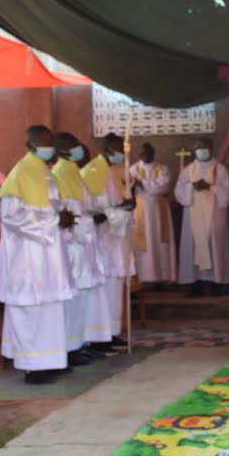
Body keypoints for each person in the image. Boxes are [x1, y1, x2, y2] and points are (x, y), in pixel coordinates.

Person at [0, 125, 77, 384]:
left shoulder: (43, 171)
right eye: (44, 141)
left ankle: (51, 360)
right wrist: (54, 220)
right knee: (31, 307)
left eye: (51, 140)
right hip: (27, 257)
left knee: (50, 308)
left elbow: (50, 206)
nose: (49, 145)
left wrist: (62, 215)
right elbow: (11, 217)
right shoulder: (21, 174)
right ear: (30, 146)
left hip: (47, 254)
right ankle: (33, 366)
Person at [52, 132, 113, 363]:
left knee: (85, 298)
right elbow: (68, 215)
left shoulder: (73, 173)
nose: (79, 149)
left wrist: (93, 217)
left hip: (85, 243)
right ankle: (71, 347)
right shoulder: (60, 174)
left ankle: (81, 342)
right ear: (62, 151)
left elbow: (83, 208)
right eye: (74, 146)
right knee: (74, 299)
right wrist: (89, 221)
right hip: (73, 247)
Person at [81, 133, 136, 347]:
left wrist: (124, 205)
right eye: (118, 149)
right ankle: (101, 335)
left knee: (115, 286)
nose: (122, 154)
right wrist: (121, 208)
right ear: (107, 149)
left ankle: (112, 330)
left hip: (115, 238)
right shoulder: (94, 172)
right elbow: (95, 210)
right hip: (103, 238)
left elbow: (112, 204)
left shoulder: (110, 172)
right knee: (104, 286)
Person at [175, 137, 229, 296]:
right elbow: (178, 191)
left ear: (211, 148)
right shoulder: (188, 170)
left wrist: (210, 187)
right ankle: (195, 285)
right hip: (193, 216)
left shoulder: (220, 170)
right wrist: (191, 187)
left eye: (205, 147)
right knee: (194, 246)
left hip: (214, 216)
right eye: (198, 147)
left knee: (214, 246)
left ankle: (215, 283)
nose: (202, 150)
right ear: (194, 149)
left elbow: (227, 195)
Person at [130, 142, 176, 285]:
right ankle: (143, 278)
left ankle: (162, 277)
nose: (145, 155)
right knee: (143, 243)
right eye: (142, 153)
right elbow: (127, 187)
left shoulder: (162, 168)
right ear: (139, 154)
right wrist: (134, 186)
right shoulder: (132, 169)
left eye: (148, 152)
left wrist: (142, 184)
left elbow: (164, 186)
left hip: (158, 210)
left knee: (158, 243)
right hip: (139, 210)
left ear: (153, 153)